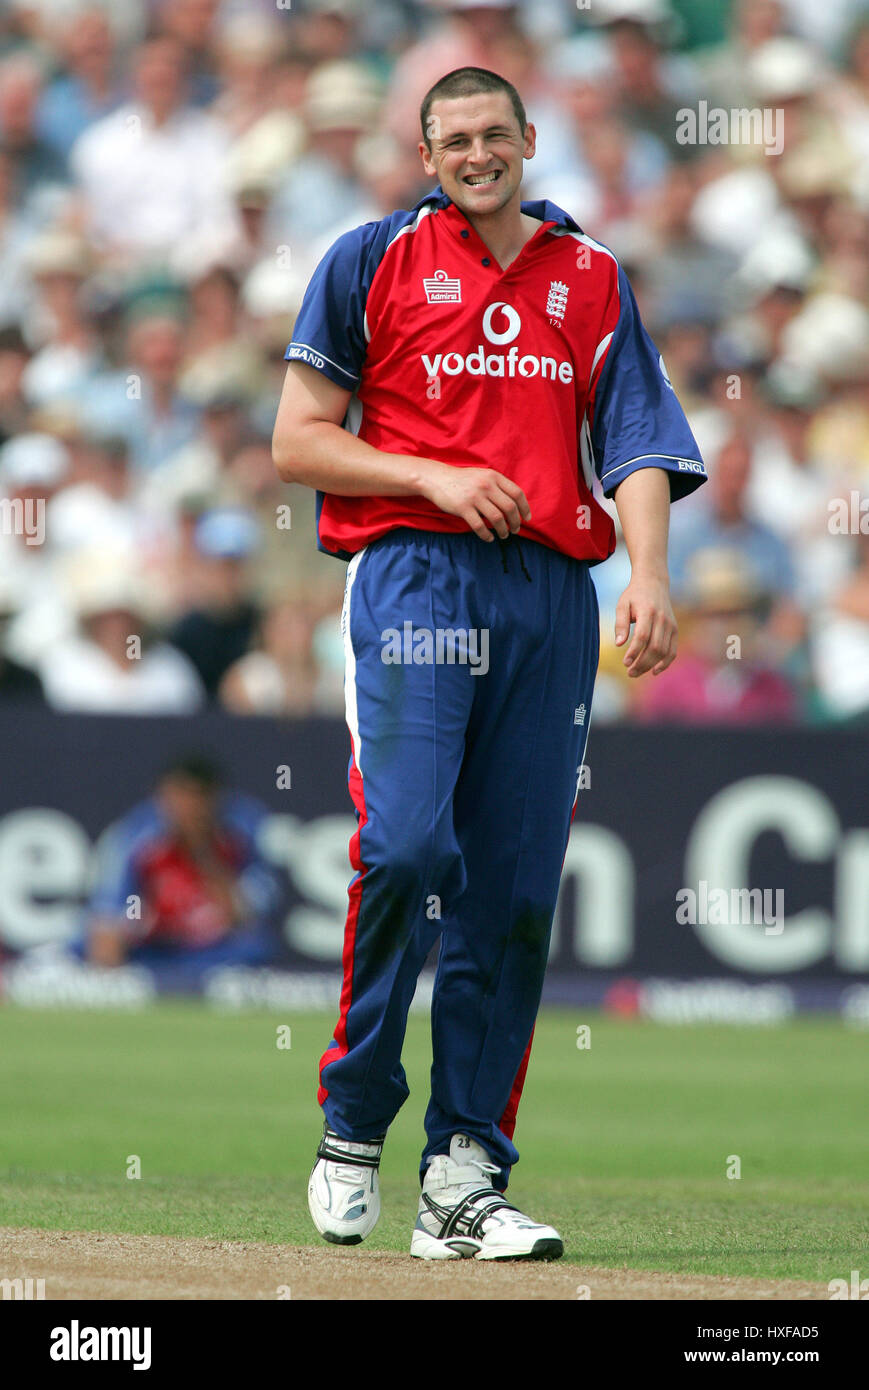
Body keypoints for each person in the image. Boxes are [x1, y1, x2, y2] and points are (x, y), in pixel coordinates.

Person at [271, 66, 706, 1262]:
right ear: (425, 154)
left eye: (492, 134)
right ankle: (354, 1117)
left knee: (512, 897)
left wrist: (651, 578)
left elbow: (638, 443)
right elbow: (296, 440)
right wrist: (432, 477)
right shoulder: (370, 260)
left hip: (547, 598)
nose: (474, 154)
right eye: (451, 138)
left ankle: (463, 1178)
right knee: (408, 845)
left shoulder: (591, 275)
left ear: (527, 141)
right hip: (414, 576)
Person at [84, 754, 280, 980]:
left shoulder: (243, 829)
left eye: (198, 797)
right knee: (78, 945)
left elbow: (244, 916)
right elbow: (107, 921)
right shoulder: (134, 836)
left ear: (215, 799)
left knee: (257, 947)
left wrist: (203, 851)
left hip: (216, 953)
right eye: (179, 795)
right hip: (152, 950)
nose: (188, 807)